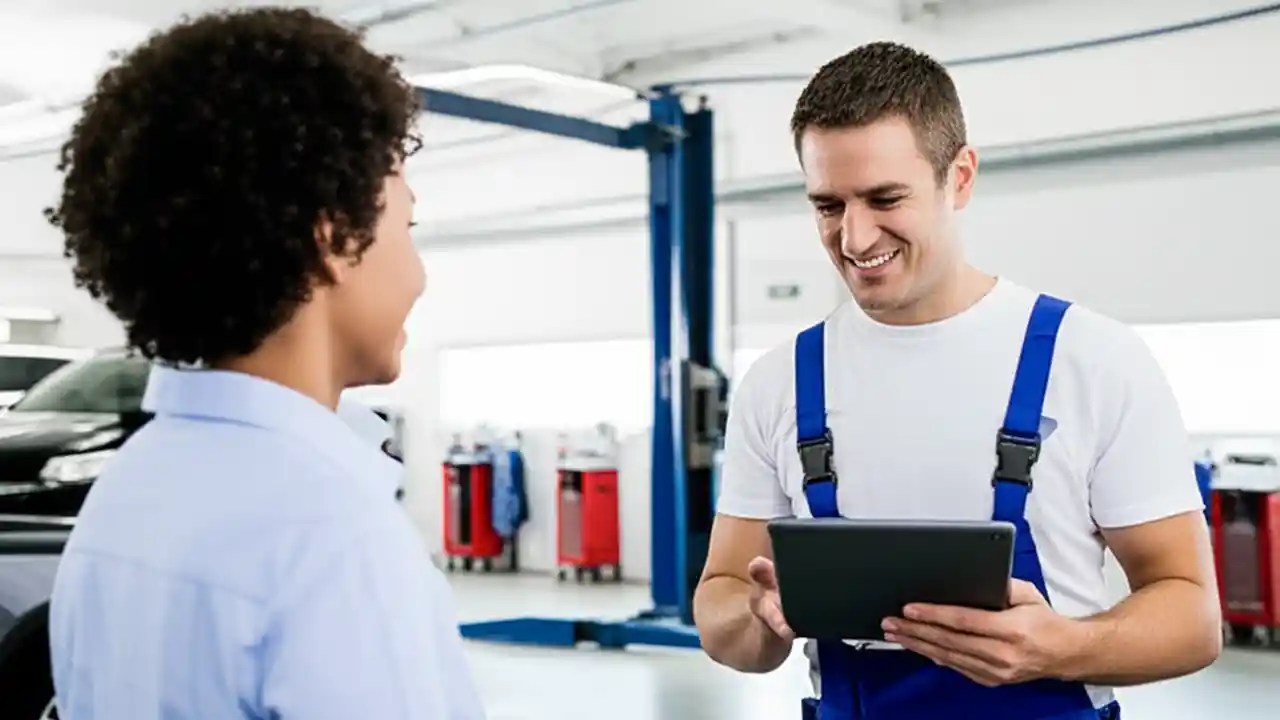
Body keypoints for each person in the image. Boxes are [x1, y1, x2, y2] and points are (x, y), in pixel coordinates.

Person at [693, 41, 1222, 719]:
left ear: (961, 177)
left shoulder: (1092, 360)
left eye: (885, 198)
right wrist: (759, 619)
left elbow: (1192, 616)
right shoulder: (780, 383)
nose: (854, 239)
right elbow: (720, 599)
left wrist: (1061, 648)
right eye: (828, 206)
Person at [45, 8, 484, 719]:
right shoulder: (330, 535)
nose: (420, 276)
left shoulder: (134, 481)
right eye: (409, 227)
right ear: (336, 239)